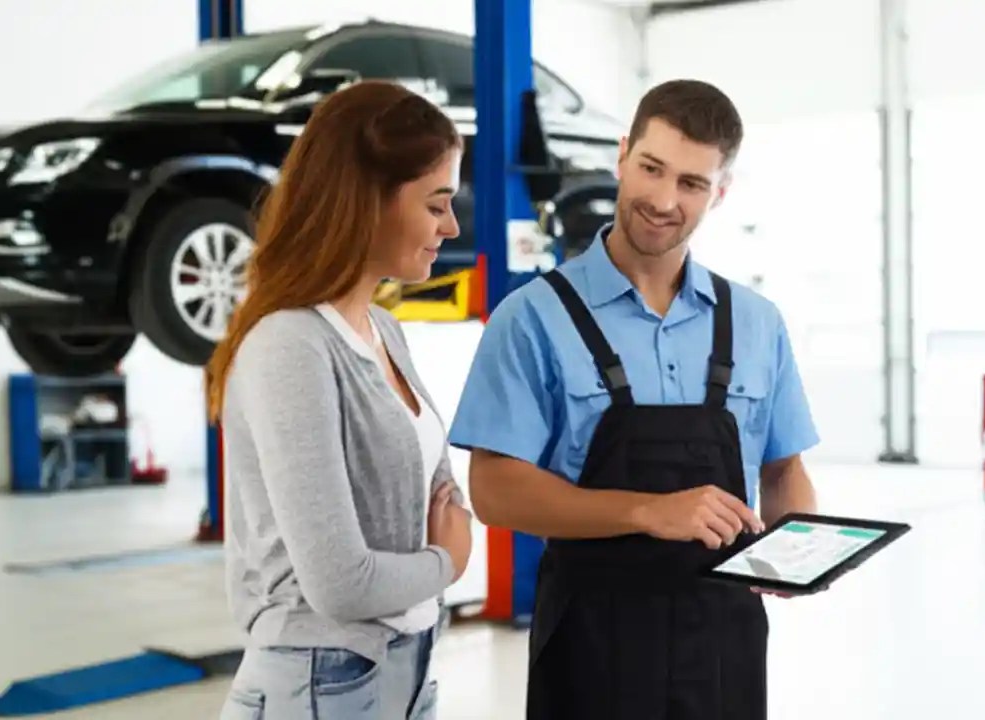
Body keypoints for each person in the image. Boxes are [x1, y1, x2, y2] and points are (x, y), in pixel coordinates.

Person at [448, 79, 820, 720]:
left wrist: (796, 550)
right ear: (622, 156)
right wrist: (650, 511)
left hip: (724, 650)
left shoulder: (758, 323)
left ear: (720, 193)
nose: (664, 200)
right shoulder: (532, 319)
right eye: (651, 168)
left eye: (692, 184)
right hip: (593, 651)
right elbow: (495, 489)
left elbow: (784, 468)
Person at [206, 81, 473, 720]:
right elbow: (341, 583)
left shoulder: (383, 331)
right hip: (319, 682)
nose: (452, 225)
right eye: (436, 204)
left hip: (406, 671)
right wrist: (447, 564)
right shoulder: (290, 346)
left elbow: (440, 492)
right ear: (367, 203)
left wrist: (437, 548)